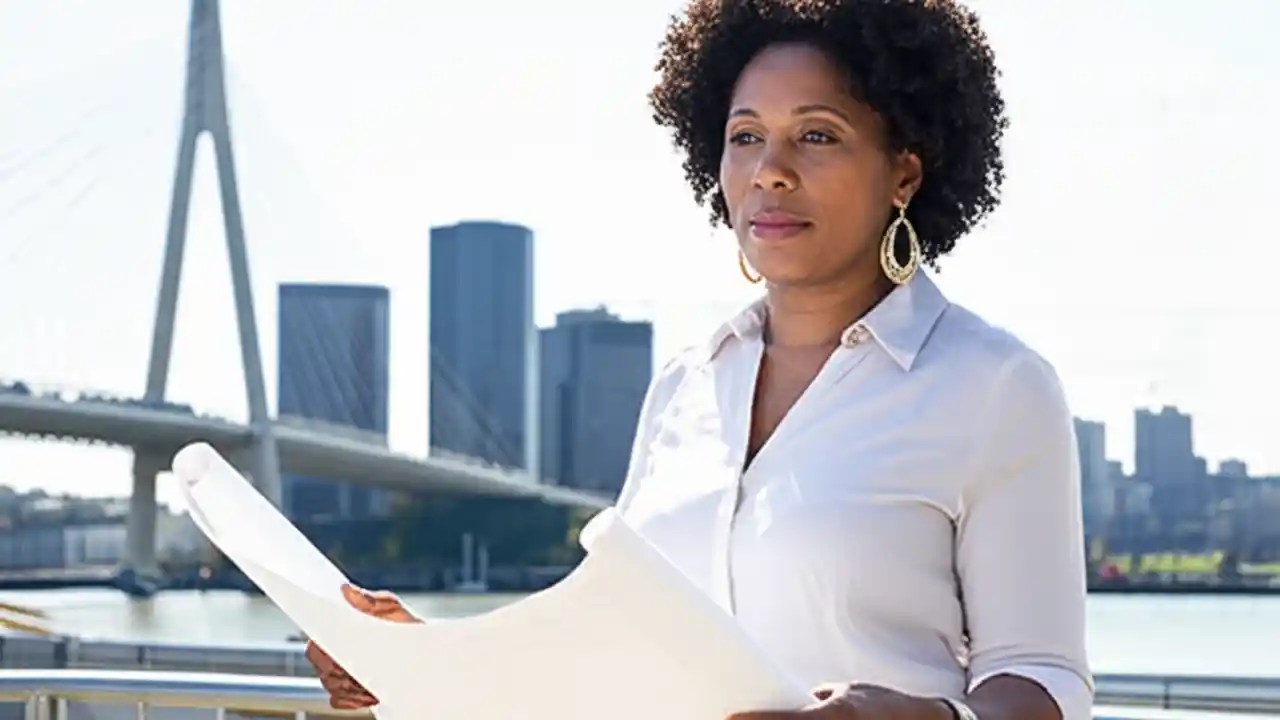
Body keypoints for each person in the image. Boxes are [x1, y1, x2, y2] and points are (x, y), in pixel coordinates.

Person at [308, 1, 1093, 718]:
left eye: (817, 135)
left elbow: (1043, 681)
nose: (770, 171)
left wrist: (916, 718)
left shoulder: (994, 386)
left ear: (905, 172)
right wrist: (420, 662)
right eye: (745, 137)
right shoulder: (687, 384)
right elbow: (607, 646)